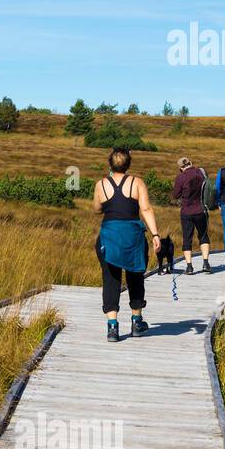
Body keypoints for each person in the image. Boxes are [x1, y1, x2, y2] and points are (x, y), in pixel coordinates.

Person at [92, 146, 161, 342]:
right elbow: (146, 208)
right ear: (129, 164)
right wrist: (155, 234)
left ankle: (112, 328)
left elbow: (97, 209)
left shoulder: (101, 184)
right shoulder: (137, 182)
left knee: (110, 279)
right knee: (135, 276)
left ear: (110, 164)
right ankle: (136, 322)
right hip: (132, 236)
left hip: (109, 237)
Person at [172, 156, 212, 274]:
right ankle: (206, 263)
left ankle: (189, 267)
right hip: (201, 210)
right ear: (191, 163)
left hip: (186, 212)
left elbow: (175, 195)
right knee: (203, 236)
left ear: (180, 168)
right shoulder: (201, 172)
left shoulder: (180, 177)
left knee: (187, 238)